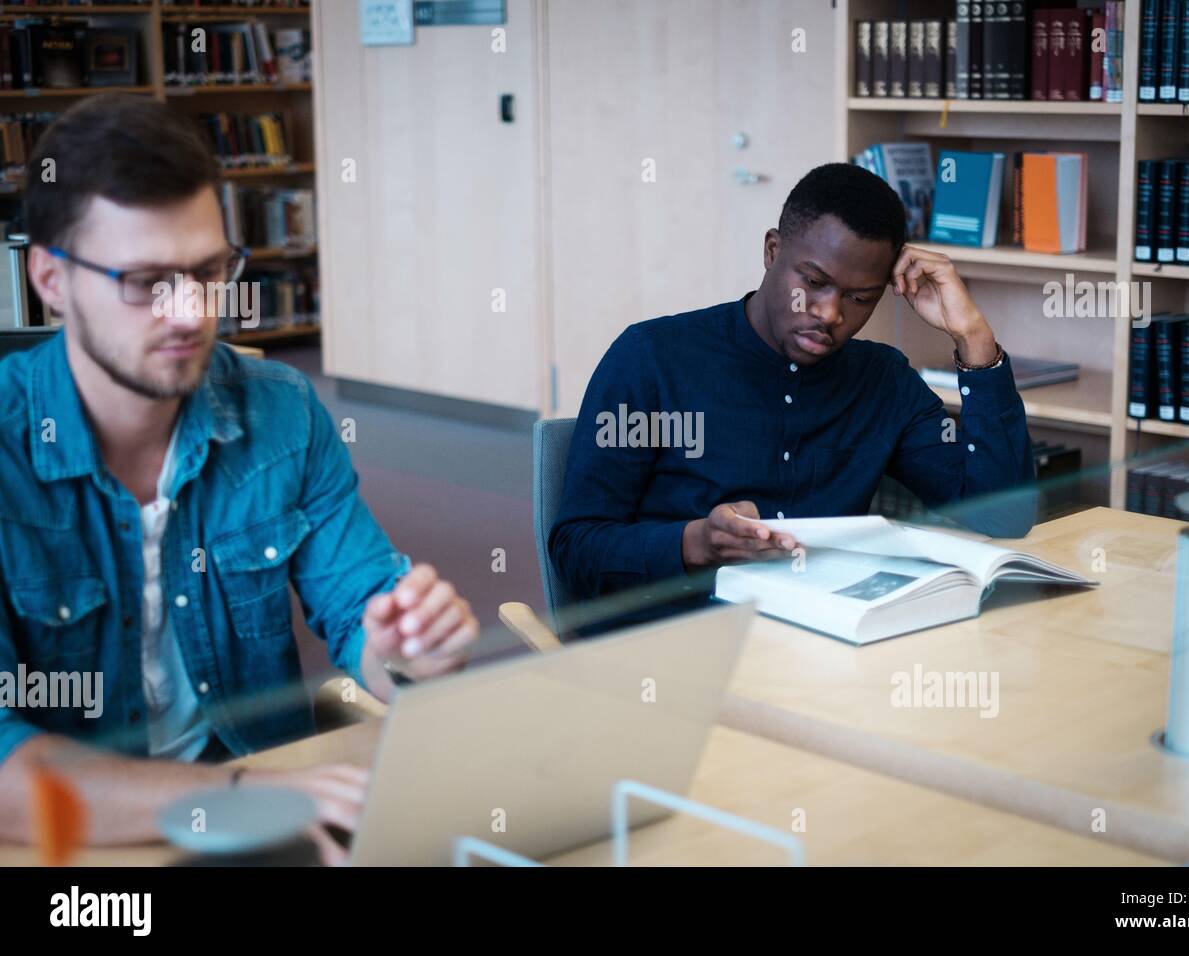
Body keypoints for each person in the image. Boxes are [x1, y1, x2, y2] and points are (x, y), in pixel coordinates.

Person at [0, 95, 477, 862]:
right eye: (148, 280)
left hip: (262, 813)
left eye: (209, 271)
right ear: (51, 278)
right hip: (71, 844)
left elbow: (366, 618)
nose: (192, 311)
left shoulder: (281, 411)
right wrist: (229, 802)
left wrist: (409, 654)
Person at [551, 162, 1036, 605]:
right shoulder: (652, 358)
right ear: (772, 250)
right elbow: (577, 548)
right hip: (677, 647)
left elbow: (1003, 518)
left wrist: (974, 338)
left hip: (825, 640)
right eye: (813, 281)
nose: (829, 313)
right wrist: (696, 542)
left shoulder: (883, 380)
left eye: (860, 297)